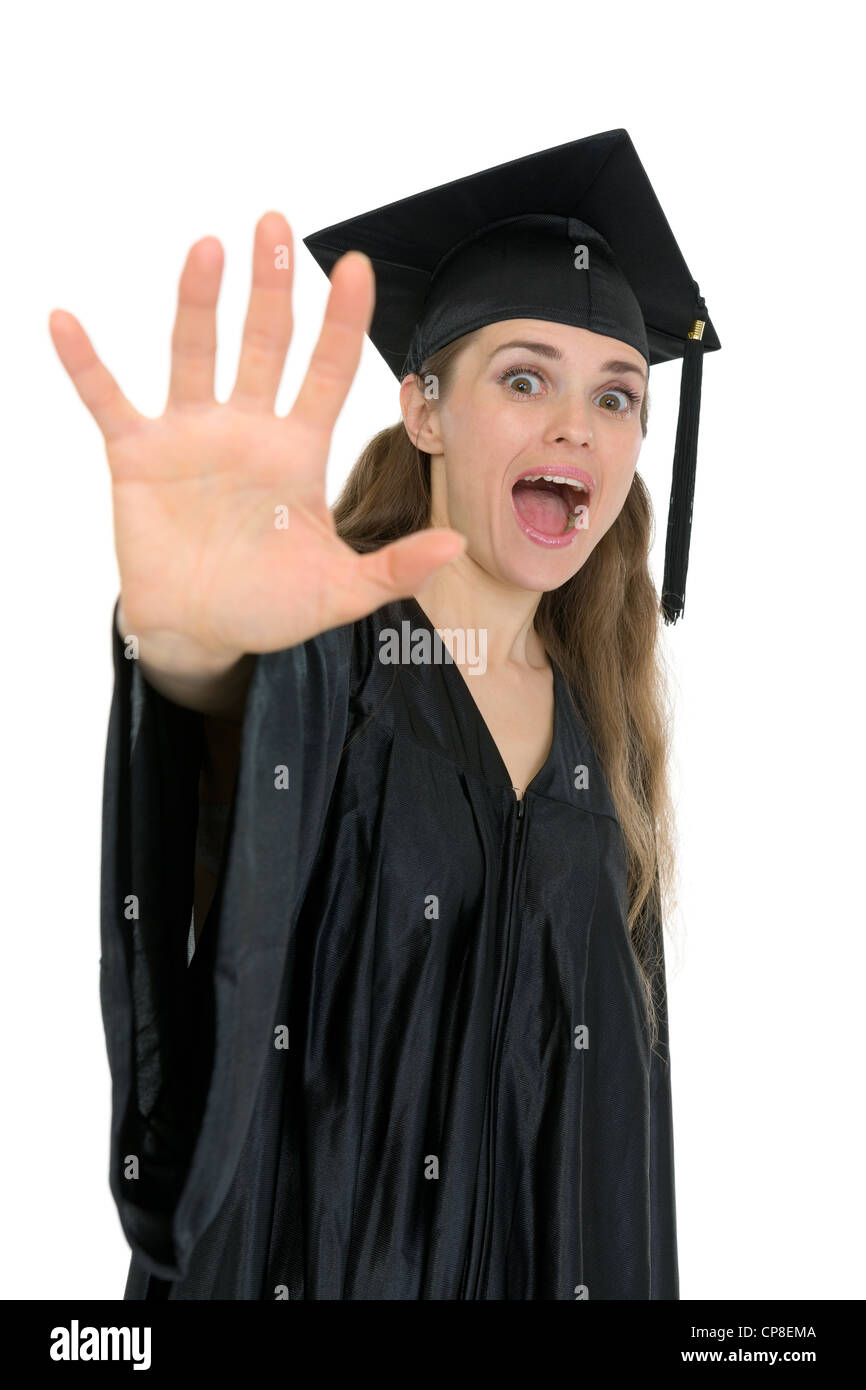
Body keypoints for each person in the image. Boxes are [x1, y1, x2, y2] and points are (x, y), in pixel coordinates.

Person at [49, 129, 719, 1299]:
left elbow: (618, 1163)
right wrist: (195, 644)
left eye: (614, 395)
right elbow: (218, 776)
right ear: (424, 413)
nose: (577, 426)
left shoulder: (604, 751)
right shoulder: (330, 674)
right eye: (523, 377)